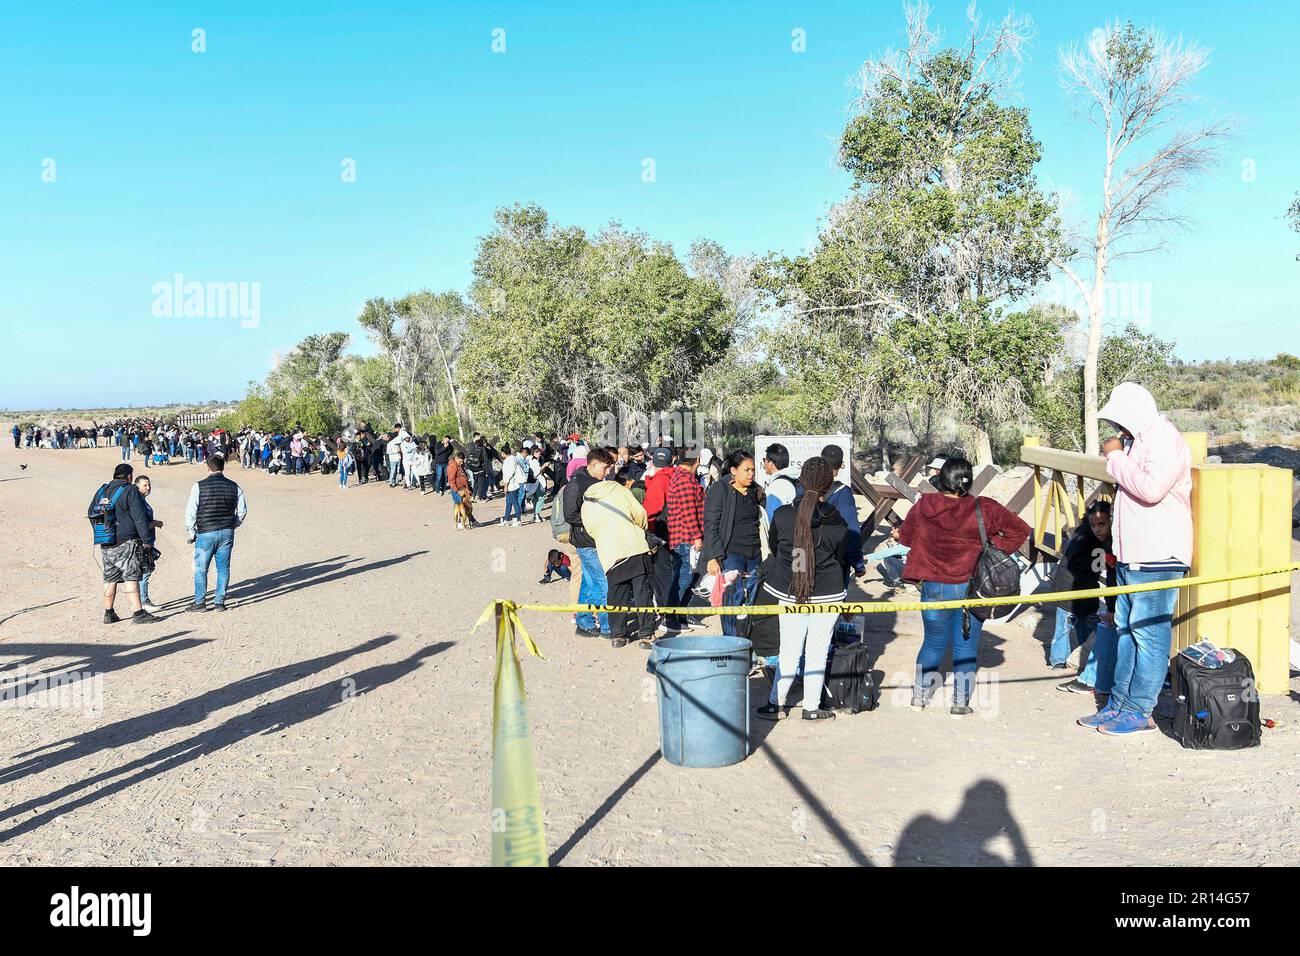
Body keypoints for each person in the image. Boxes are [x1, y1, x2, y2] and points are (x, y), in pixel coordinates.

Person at [1079, 382, 1193, 737]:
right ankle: (1120, 704)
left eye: (1119, 421)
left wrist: (1115, 457)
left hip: (1158, 556)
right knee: (1127, 633)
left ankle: (1141, 709)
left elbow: (1151, 489)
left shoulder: (1163, 439)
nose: (1116, 429)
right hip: (1133, 557)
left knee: (1149, 637)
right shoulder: (1139, 442)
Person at [898, 457, 1030, 715]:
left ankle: (919, 698)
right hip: (972, 587)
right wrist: (991, 551)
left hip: (933, 586)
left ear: (942, 478)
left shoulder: (924, 505)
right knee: (966, 647)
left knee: (933, 643)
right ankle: (960, 703)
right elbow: (1020, 530)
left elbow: (905, 537)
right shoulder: (985, 508)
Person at [757, 456, 849, 723]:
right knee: (818, 651)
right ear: (829, 485)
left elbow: (775, 548)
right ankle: (811, 707)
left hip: (790, 590)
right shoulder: (838, 522)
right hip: (829, 593)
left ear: (801, 480)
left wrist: (797, 564)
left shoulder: (783, 515)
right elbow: (841, 557)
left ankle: (776, 704)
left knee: (789, 650)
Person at [581, 458, 654, 648]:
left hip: (610, 551)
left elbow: (590, 529)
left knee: (616, 592)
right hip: (634, 546)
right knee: (641, 592)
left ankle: (618, 635)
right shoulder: (620, 491)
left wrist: (605, 538)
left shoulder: (587, 500)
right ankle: (646, 635)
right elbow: (640, 515)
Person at [1051, 502, 1119, 698]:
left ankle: (1080, 660)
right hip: (1070, 590)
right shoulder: (1086, 539)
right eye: (1094, 525)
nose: (1097, 529)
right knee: (1064, 627)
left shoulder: (1098, 540)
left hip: (1085, 590)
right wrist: (1102, 561)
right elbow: (1090, 565)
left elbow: (1103, 570)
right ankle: (1058, 661)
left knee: (1086, 625)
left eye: (1102, 524)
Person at [88, 463, 160, 624]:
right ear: (129, 476)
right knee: (131, 576)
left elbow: (90, 512)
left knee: (110, 577)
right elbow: (139, 517)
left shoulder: (102, 490)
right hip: (127, 540)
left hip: (106, 541)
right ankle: (138, 613)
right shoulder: (130, 490)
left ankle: (109, 613)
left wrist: (100, 531)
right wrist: (146, 540)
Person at [702, 450, 764, 636]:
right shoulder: (720, 490)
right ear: (733, 470)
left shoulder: (755, 490)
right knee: (731, 598)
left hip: (754, 553)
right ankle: (730, 639)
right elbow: (711, 524)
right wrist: (712, 557)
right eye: (746, 470)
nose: (751, 474)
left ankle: (747, 637)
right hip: (731, 554)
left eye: (753, 470)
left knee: (753, 597)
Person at [185, 454, 248, 612]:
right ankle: (219, 601)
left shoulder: (198, 486)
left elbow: (191, 512)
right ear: (223, 467)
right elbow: (242, 511)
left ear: (208, 467)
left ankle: (200, 602)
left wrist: (191, 532)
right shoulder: (235, 486)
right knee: (223, 568)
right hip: (226, 531)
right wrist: (233, 525)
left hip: (205, 532)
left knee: (200, 568)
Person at [563, 447, 614, 638]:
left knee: (589, 582)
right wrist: (596, 521)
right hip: (586, 542)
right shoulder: (576, 484)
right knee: (603, 582)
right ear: (592, 465)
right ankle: (608, 626)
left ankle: (583, 621)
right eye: (605, 468)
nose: (607, 472)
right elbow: (570, 515)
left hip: (596, 540)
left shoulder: (597, 481)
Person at [820, 444, 867, 582]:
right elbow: (851, 531)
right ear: (841, 465)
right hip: (833, 562)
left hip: (805, 560)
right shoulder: (842, 493)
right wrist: (858, 564)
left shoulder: (803, 488)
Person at [134, 474, 164, 613]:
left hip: (147, 540)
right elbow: (142, 524)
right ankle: (144, 601)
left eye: (149, 484)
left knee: (144, 572)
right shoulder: (138, 502)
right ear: (137, 486)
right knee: (145, 572)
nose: (148, 487)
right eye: (145, 485)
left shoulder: (142, 501)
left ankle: (142, 600)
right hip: (143, 542)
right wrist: (155, 523)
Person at [761, 443, 799, 521]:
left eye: (765, 460)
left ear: (771, 464)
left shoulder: (777, 486)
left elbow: (771, 516)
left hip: (781, 531)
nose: (764, 463)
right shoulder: (792, 479)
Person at [448, 449, 476, 530]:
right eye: (460, 461)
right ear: (456, 458)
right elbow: (451, 480)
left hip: (464, 489)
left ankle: (471, 521)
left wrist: (467, 489)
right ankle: (460, 522)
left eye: (462, 461)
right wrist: (457, 491)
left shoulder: (460, 465)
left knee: (467, 506)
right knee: (460, 507)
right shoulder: (452, 466)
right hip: (458, 490)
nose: (462, 463)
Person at [500, 444, 526, 525]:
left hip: (512, 485)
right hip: (512, 484)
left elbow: (508, 475)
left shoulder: (509, 461)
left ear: (503, 453)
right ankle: (506, 519)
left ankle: (518, 520)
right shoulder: (513, 458)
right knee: (508, 503)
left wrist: (505, 486)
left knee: (515, 503)